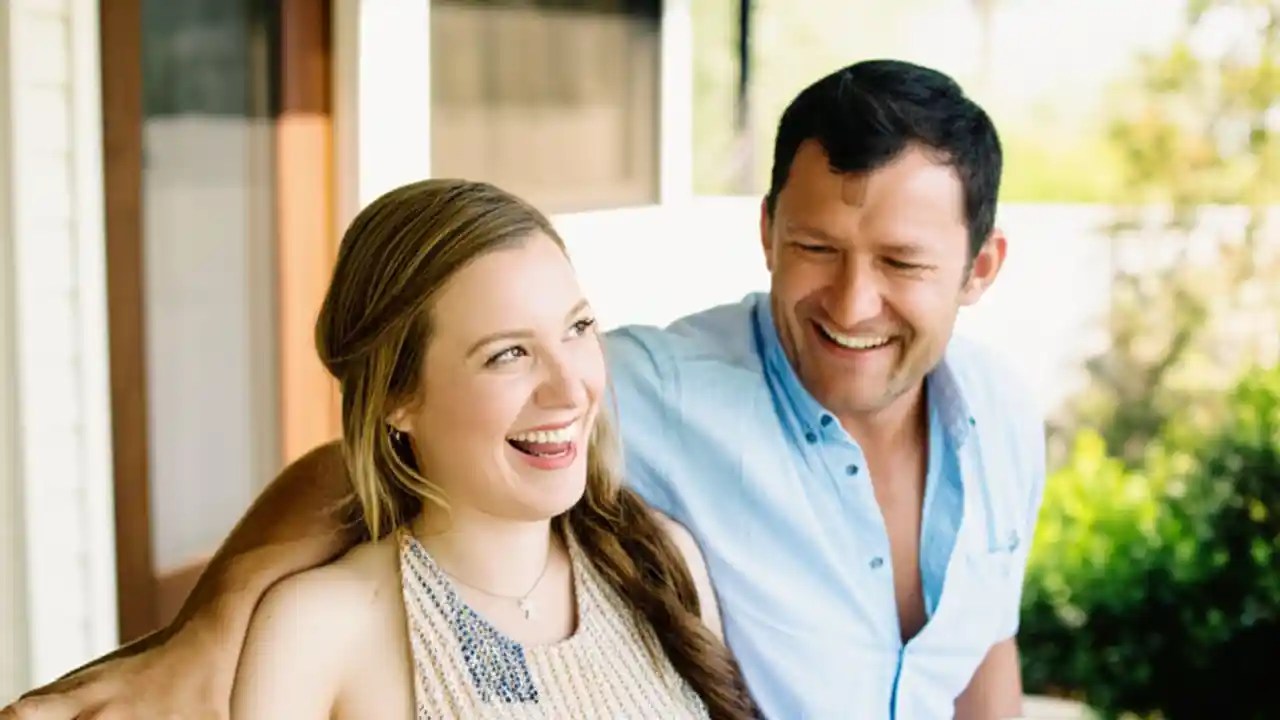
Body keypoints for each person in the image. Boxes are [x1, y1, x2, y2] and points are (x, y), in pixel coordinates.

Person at [3, 59, 1045, 720]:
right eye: (816, 246)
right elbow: (373, 456)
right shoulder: (658, 390)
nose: (852, 301)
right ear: (767, 229)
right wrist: (204, 640)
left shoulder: (1001, 421)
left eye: (902, 263)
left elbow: (979, 650)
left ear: (979, 268)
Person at [248, 178, 753, 718]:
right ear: (397, 396)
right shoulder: (319, 635)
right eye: (508, 353)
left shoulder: (659, 562)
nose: (570, 390)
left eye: (578, 327)